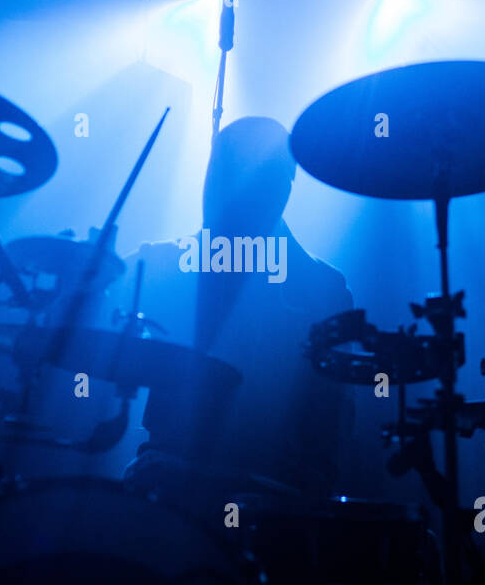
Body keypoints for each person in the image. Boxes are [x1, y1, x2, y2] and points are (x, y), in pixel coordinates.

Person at [114, 116, 354, 510]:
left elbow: (326, 447)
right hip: (162, 503)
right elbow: (102, 291)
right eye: (213, 172)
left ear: (280, 189)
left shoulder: (322, 290)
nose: (213, 189)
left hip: (268, 515)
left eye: (231, 175)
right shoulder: (163, 264)